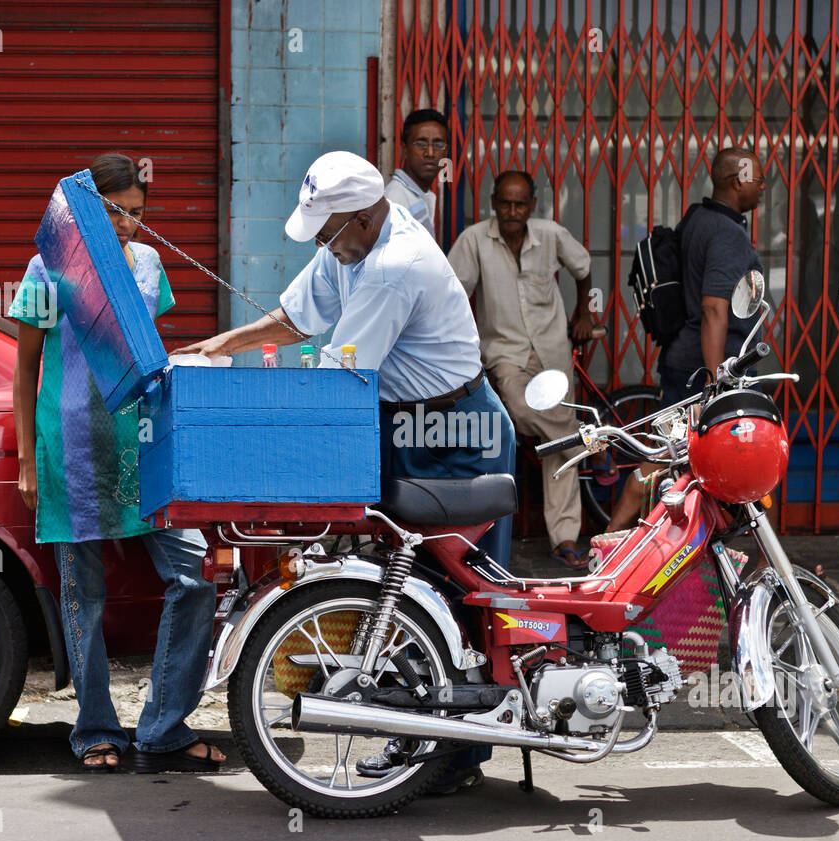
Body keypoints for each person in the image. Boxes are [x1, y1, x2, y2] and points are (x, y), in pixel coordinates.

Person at [174, 150, 511, 793]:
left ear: (361, 215)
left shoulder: (390, 267)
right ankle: (422, 735)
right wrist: (221, 344)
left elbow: (338, 378)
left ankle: (458, 756)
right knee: (404, 586)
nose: (324, 246)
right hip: (401, 421)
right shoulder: (348, 246)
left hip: (458, 432)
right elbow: (298, 317)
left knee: (463, 595)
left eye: (328, 232)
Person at [11, 153, 221, 773]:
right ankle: (95, 727)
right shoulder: (48, 268)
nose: (129, 224)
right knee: (83, 596)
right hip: (70, 445)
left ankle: (162, 726)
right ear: (87, 212)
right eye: (116, 212)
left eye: (137, 213)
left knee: (194, 576)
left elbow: (145, 352)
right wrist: (27, 456)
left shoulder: (152, 266)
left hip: (144, 443)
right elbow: (25, 366)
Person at [447, 169, 612, 569]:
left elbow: (583, 266)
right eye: (505, 203)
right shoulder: (474, 242)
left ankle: (566, 537)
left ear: (532, 205)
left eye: (520, 204)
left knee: (556, 448)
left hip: (553, 349)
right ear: (493, 203)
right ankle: (590, 443)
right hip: (506, 352)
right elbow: (452, 291)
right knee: (523, 413)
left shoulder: (551, 234)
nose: (512, 211)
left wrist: (584, 314)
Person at [606, 147, 768, 532]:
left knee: (671, 456)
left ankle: (611, 540)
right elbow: (714, 308)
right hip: (710, 368)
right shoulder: (727, 234)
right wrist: (716, 381)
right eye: (758, 179)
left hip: (686, 360)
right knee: (751, 453)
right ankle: (608, 543)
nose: (762, 188)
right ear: (736, 180)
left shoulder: (698, 218)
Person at [384, 108, 448, 237]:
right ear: (405, 149)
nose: (430, 153)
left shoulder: (422, 195)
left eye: (437, 145)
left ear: (446, 152)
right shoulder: (395, 201)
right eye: (421, 144)